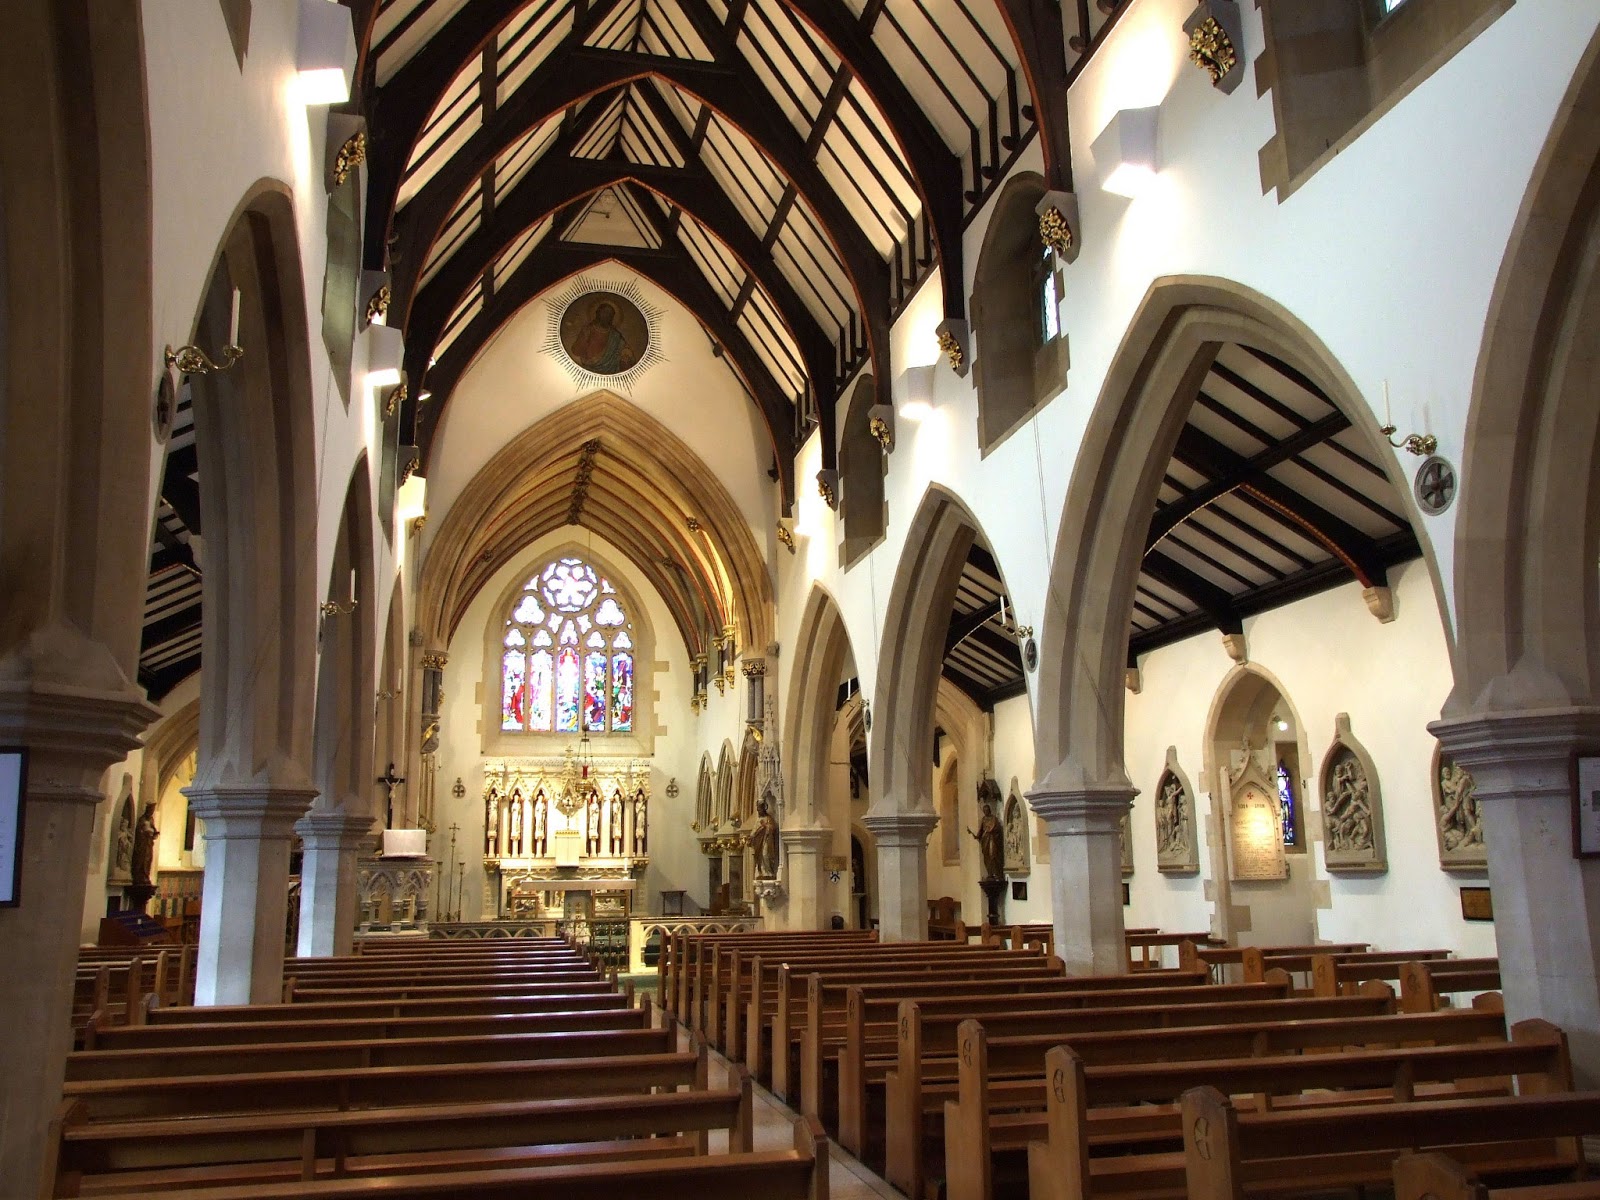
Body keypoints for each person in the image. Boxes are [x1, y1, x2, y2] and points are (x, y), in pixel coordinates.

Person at [569, 301, 636, 374]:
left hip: (610, 371)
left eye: (609, 314)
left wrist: (626, 355)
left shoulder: (615, 335)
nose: (606, 316)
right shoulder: (588, 330)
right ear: (598, 313)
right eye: (604, 313)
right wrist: (584, 339)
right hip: (588, 368)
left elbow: (625, 349)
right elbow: (576, 351)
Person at [968, 801, 1004, 881]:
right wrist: (976, 835)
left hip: (992, 840)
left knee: (993, 855)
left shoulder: (994, 819)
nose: (986, 812)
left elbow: (998, 829)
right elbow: (981, 830)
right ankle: (990, 873)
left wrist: (992, 830)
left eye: (987, 810)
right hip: (985, 841)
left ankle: (996, 873)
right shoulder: (983, 819)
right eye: (984, 810)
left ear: (989, 810)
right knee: (987, 856)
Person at [131, 801, 159, 887]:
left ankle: (146, 875)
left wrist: (155, 833)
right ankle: (139, 875)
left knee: (148, 859)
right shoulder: (142, 819)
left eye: (153, 810)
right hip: (143, 842)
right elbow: (139, 830)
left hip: (149, 842)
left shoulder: (151, 819)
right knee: (141, 858)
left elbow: (153, 829)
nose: (152, 812)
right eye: (151, 810)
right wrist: (144, 834)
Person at [751, 799, 780, 878]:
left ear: (763, 808)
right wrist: (752, 836)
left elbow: (772, 828)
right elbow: (754, 830)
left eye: (760, 809)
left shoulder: (768, 818)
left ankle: (768, 871)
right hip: (759, 842)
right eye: (758, 810)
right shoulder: (758, 820)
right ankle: (762, 871)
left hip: (767, 840)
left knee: (765, 854)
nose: (759, 811)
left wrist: (765, 827)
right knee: (760, 857)